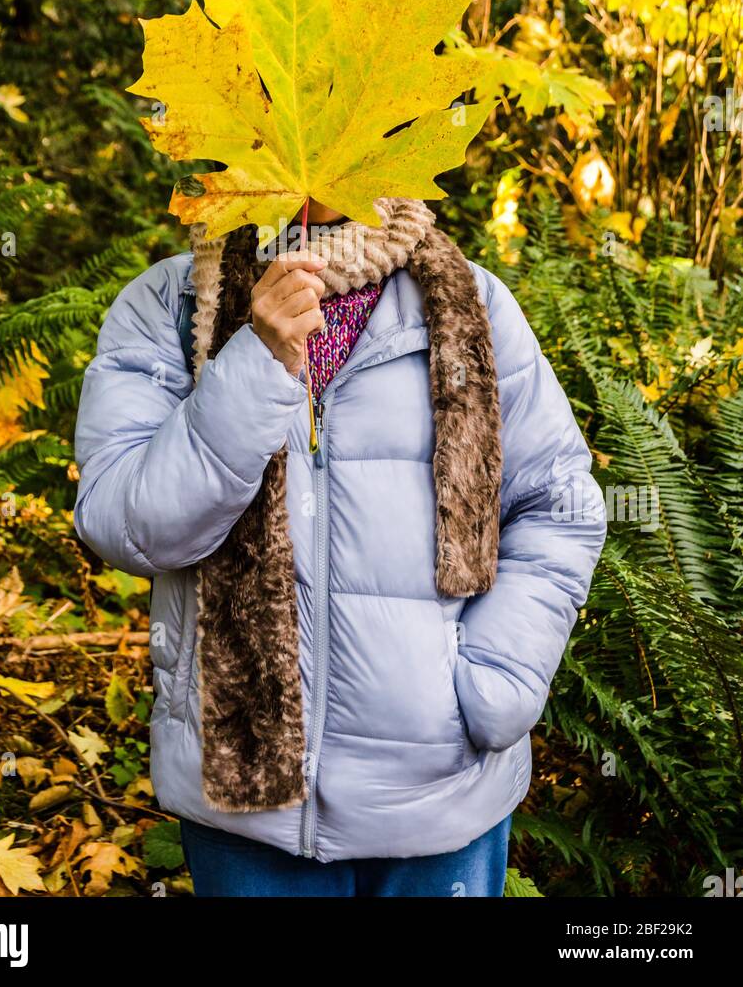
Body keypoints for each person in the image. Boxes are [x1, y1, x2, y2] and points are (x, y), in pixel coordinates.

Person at [73, 196, 607, 897]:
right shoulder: (169, 304)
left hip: (442, 803)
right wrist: (255, 364)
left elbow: (558, 503)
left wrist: (494, 685)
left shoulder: (471, 303)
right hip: (245, 807)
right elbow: (124, 524)